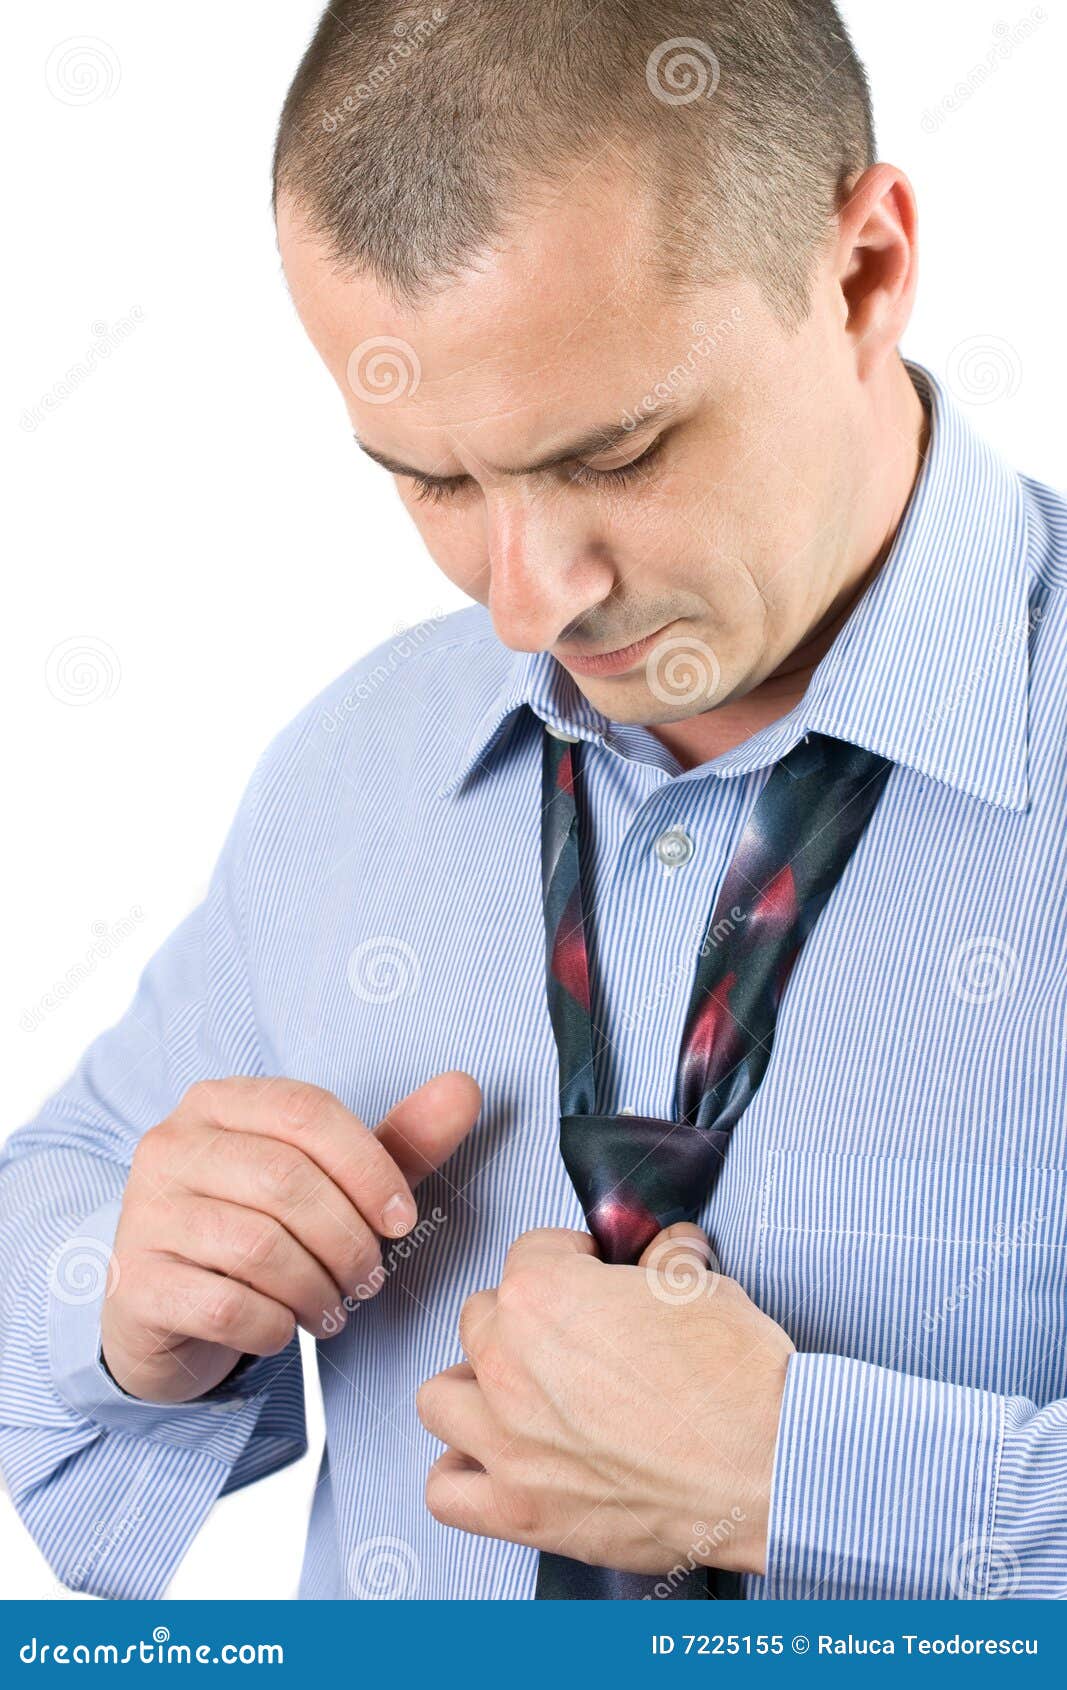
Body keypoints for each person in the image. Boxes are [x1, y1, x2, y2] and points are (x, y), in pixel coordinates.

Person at [2, 0, 1064, 1602]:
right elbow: (56, 1198)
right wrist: (127, 1293)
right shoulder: (364, 756)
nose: (525, 604)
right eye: (431, 479)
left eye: (619, 452)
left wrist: (804, 1475)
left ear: (864, 272)